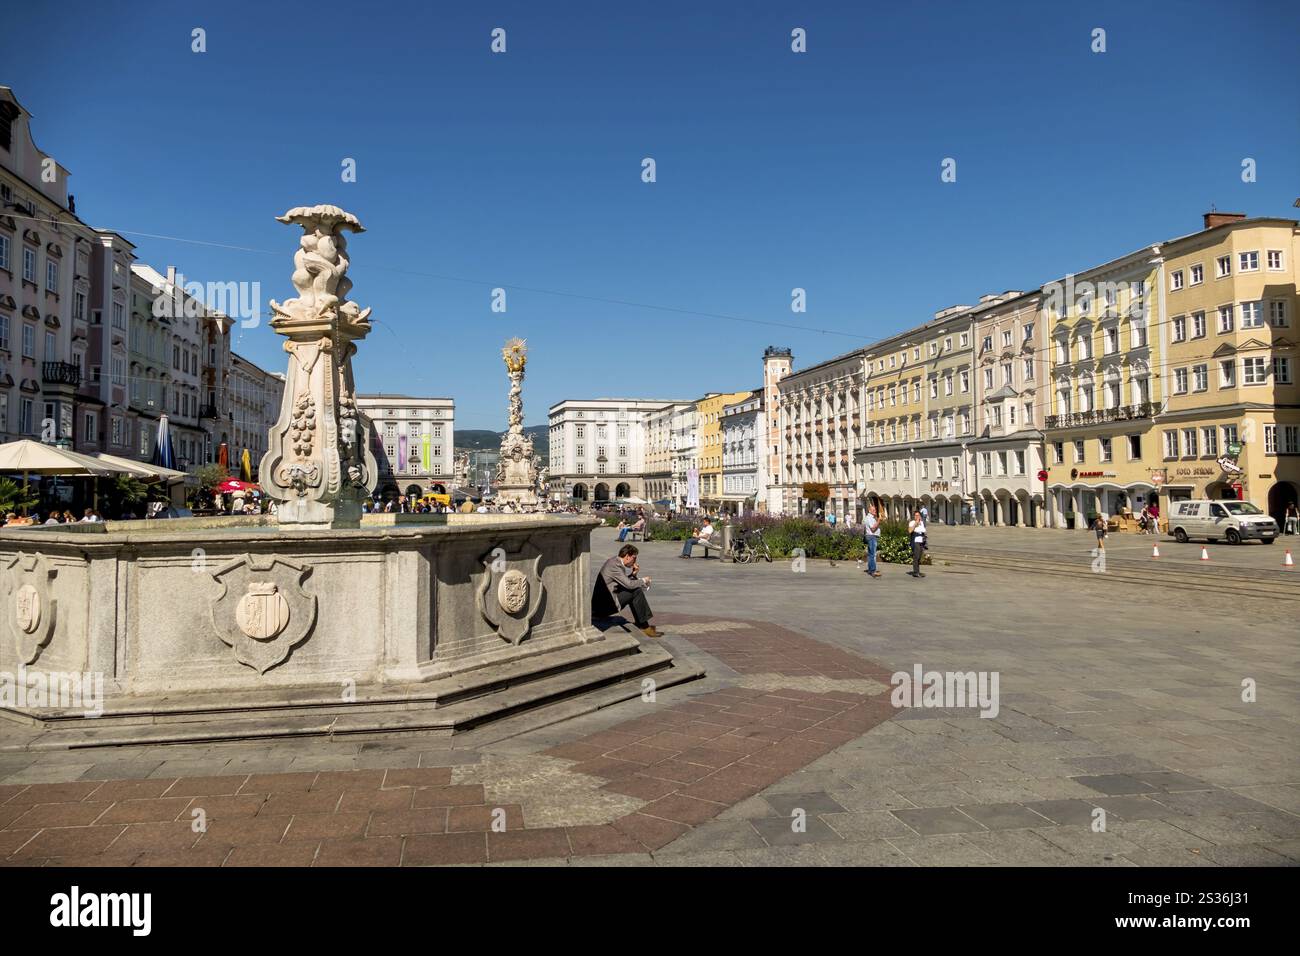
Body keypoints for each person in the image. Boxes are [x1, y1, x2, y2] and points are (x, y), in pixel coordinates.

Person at [592, 544, 661, 638]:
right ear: (628, 556)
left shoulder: (614, 562)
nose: (635, 562)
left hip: (601, 605)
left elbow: (623, 582)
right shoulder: (615, 565)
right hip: (602, 608)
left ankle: (642, 625)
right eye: (634, 558)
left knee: (634, 591)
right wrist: (644, 580)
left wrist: (633, 574)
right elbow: (629, 584)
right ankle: (645, 627)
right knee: (636, 591)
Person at [863, 502, 882, 578]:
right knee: (873, 554)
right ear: (869, 511)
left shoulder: (870, 517)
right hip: (871, 536)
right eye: (873, 510)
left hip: (870, 536)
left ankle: (871, 569)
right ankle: (873, 570)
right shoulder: (869, 518)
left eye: (875, 510)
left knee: (871, 554)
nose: (875, 511)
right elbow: (873, 528)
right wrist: (879, 521)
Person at [907, 510, 926, 578]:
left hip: (921, 541)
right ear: (914, 516)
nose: (917, 516)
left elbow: (923, 531)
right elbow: (909, 531)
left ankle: (918, 571)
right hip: (915, 541)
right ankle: (915, 572)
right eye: (916, 515)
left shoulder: (922, 523)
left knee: (919, 557)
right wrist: (915, 524)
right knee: (916, 556)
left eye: (918, 515)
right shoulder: (912, 522)